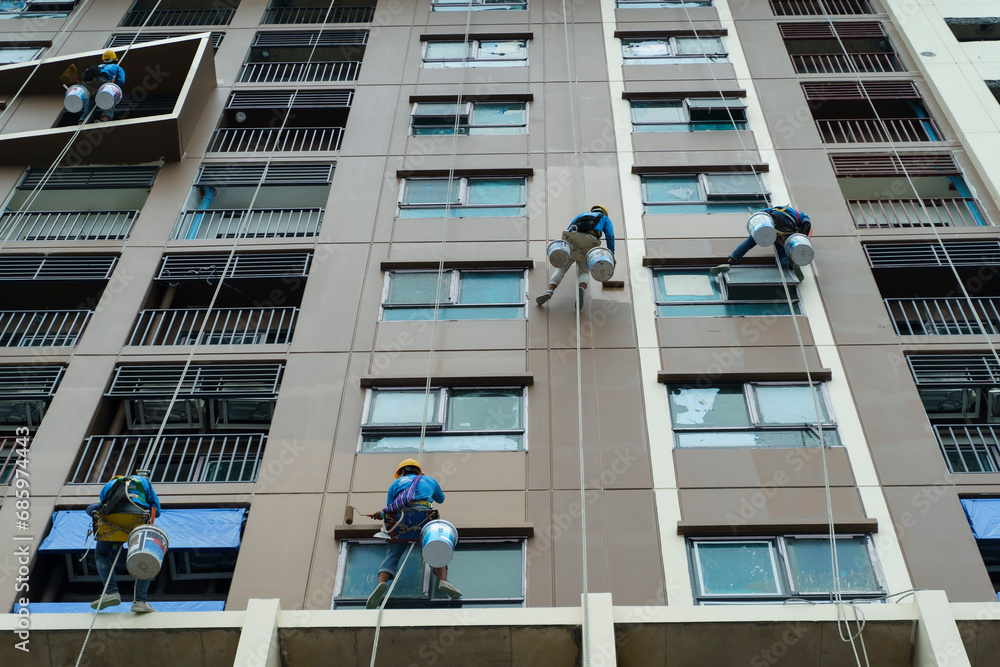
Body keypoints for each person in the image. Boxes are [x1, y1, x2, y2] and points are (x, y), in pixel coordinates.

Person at [365, 459, 462, 609]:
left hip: (401, 521)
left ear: (402, 472)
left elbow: (391, 508)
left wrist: (380, 514)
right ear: (418, 472)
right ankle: (443, 580)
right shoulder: (429, 480)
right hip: (424, 517)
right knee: (436, 546)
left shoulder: (394, 485)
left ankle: (381, 584)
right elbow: (441, 499)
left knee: (393, 554)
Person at [85, 472, 161, 613]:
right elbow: (156, 511)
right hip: (136, 517)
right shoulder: (144, 483)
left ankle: (111, 592)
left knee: (102, 555)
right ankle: (140, 601)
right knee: (146, 555)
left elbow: (104, 504)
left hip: (111, 521)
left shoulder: (110, 484)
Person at [536, 204, 616, 308]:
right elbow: (610, 235)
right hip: (589, 242)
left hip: (573, 239)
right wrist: (611, 254)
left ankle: (549, 291)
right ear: (604, 212)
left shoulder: (582, 214)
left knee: (561, 269)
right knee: (583, 271)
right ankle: (581, 289)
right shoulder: (604, 218)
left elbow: (569, 228)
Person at [712, 205, 811, 277]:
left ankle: (729, 262)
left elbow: (763, 214)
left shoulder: (779, 208)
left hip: (773, 220)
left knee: (749, 242)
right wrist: (802, 235)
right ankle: (792, 264)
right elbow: (806, 223)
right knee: (780, 259)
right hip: (788, 228)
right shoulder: (801, 215)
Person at [78, 50, 126, 123]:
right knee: (110, 101)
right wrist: (114, 87)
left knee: (90, 104)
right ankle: (104, 119)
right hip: (105, 86)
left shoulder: (99, 66)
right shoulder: (116, 67)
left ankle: (82, 121)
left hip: (92, 86)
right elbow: (121, 80)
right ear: (114, 60)